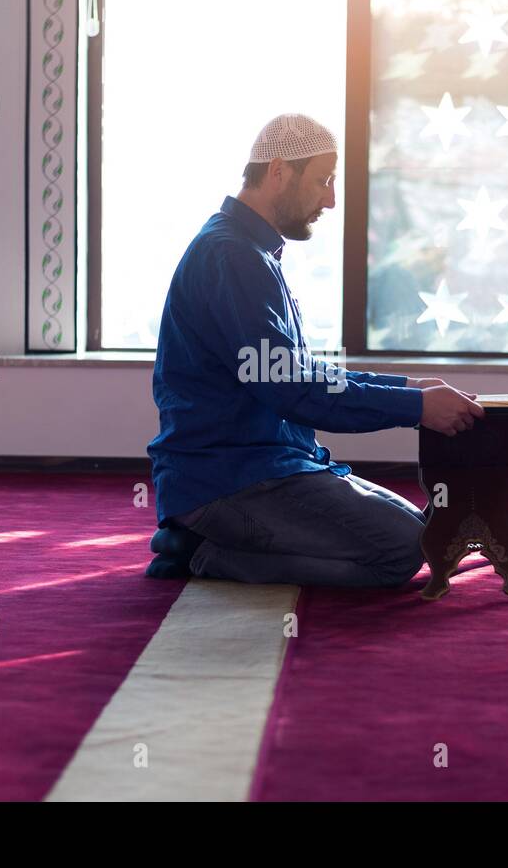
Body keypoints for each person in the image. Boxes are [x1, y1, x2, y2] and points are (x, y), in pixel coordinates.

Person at [145, 113, 483, 588]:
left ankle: (208, 542)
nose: (331, 199)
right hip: (228, 481)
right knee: (402, 551)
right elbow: (293, 390)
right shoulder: (233, 256)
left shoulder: (248, 250)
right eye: (323, 180)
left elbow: (298, 372)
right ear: (279, 171)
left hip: (271, 466)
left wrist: (409, 388)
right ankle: (202, 552)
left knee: (427, 534)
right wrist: (415, 407)